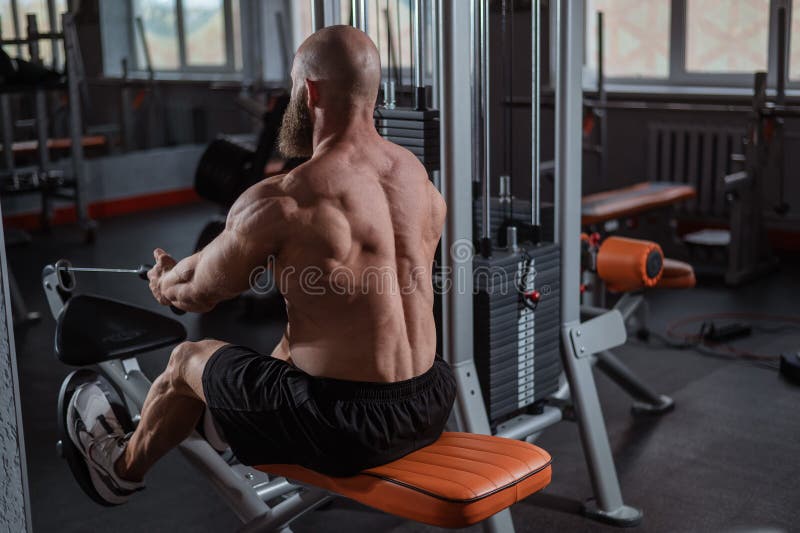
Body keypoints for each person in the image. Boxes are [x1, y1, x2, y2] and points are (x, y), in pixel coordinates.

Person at [66, 24, 455, 504]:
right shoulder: (416, 177)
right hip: (431, 402)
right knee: (300, 336)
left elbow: (195, 294)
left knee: (185, 360)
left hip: (347, 431)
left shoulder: (287, 198)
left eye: (293, 86)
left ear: (310, 92)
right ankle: (223, 422)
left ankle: (118, 469)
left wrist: (165, 281)